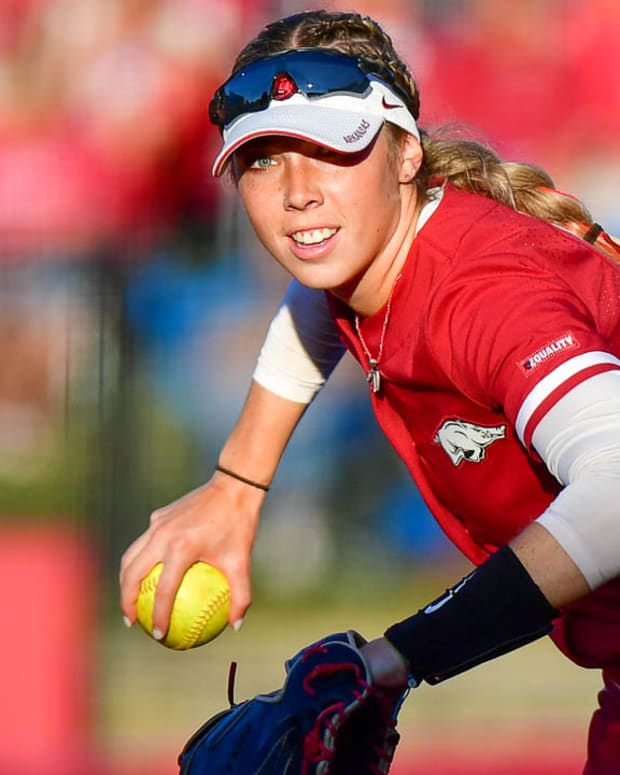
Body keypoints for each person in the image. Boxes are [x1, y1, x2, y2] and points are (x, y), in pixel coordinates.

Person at [119, 9, 620, 772]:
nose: (297, 192)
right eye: (263, 160)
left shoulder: (482, 291)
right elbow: (315, 300)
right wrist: (238, 482)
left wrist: (398, 658)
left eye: (331, 149)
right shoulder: (373, 257)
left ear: (406, 153)